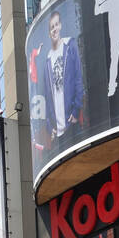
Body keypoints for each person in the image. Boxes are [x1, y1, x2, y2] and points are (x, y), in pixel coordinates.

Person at [38, 9, 84, 145]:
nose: (54, 29)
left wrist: (76, 110)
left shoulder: (70, 45)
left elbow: (78, 78)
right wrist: (49, 124)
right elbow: (46, 95)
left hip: (71, 120)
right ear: (49, 32)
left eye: (56, 25)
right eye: (52, 27)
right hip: (57, 129)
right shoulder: (47, 59)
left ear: (61, 25)